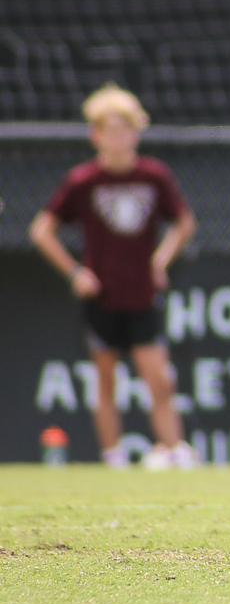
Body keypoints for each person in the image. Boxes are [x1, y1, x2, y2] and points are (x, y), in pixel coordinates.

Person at [30, 84, 198, 470]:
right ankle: (114, 458)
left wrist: (160, 262)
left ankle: (173, 451)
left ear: (137, 133)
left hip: (140, 295)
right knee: (105, 383)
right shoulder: (83, 181)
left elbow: (184, 223)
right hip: (101, 298)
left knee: (160, 381)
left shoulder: (154, 177)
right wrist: (75, 272)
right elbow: (42, 230)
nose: (120, 138)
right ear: (96, 135)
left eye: (127, 130)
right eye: (111, 130)